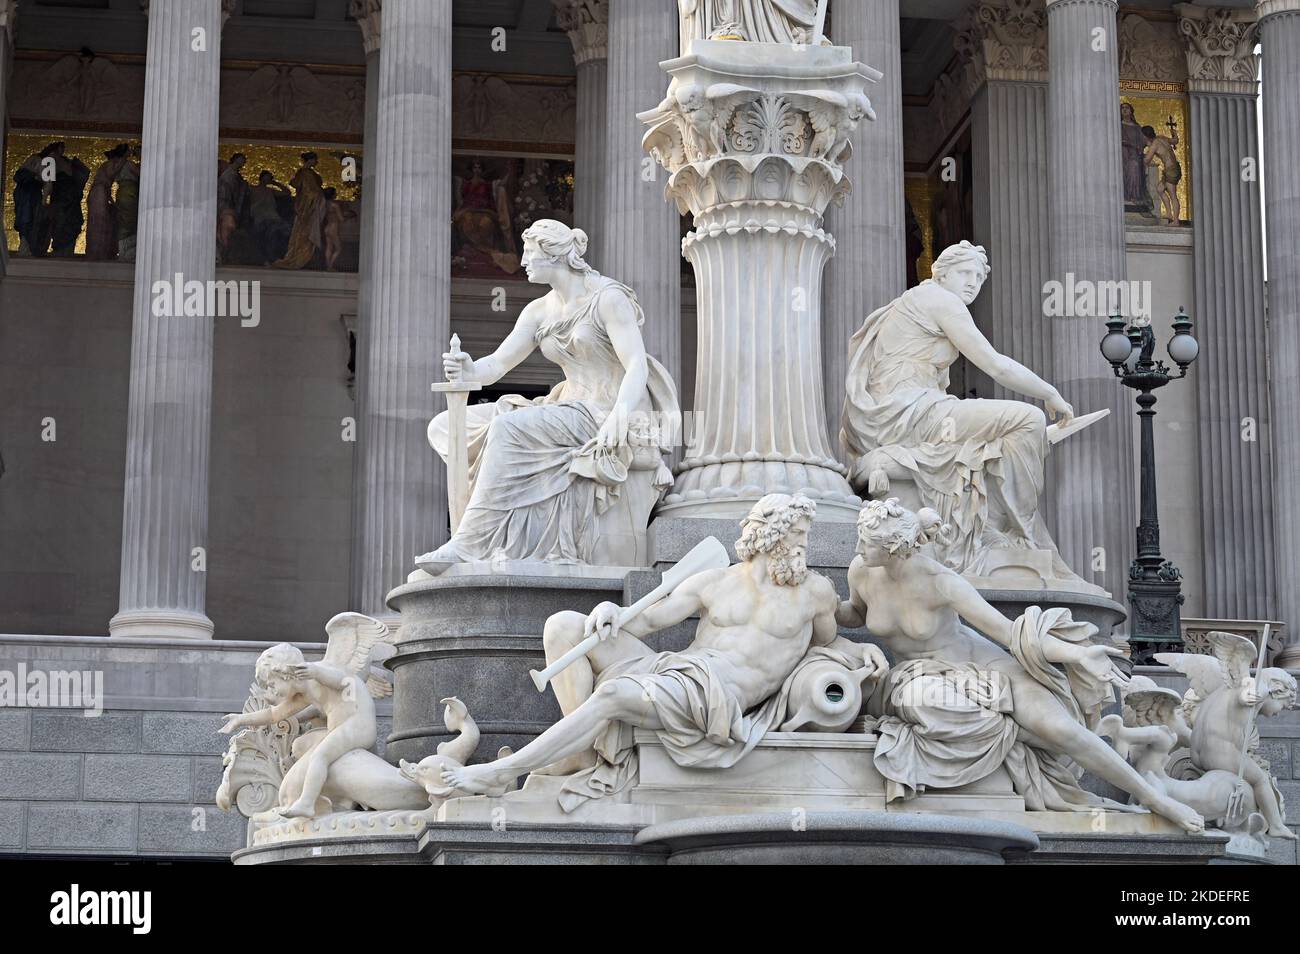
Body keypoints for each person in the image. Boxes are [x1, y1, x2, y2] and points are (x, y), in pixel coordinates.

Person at [438, 493, 887, 807]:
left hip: (714, 697)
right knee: (564, 625)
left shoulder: (815, 593)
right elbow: (651, 618)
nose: (805, 545)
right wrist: (610, 609)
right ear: (771, 536)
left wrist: (861, 655)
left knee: (613, 697)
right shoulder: (716, 581)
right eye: (799, 535)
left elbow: (826, 642)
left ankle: (502, 771)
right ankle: (579, 754)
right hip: (679, 670)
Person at [838, 498, 1204, 833]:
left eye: (866, 543)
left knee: (1062, 731)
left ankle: (1158, 800)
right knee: (951, 707)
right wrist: (818, 604)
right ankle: (1019, 738)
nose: (857, 549)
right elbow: (855, 613)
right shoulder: (862, 571)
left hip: (985, 665)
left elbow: (1010, 632)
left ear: (895, 548)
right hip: (917, 674)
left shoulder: (941, 583)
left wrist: (1077, 654)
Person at [420, 219, 679, 566]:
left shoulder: (608, 298)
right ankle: (507, 528)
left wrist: (619, 417)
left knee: (507, 428)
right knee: (444, 425)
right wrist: (469, 369)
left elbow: (637, 365)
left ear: (553, 254)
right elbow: (497, 365)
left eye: (529, 253)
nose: (523, 261)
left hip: (603, 412)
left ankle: (470, 541)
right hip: (566, 407)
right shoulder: (539, 310)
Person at [840, 240, 1083, 584]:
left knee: (991, 439)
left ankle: (992, 526)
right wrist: (1050, 392)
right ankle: (1015, 530)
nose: (973, 282)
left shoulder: (911, 301)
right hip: (910, 412)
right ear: (940, 273)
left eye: (979, 277)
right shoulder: (941, 300)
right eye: (965, 273)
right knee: (1028, 419)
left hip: (899, 413)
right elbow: (995, 366)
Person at [273, 151, 326, 269]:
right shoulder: (305, 174)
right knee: (304, 234)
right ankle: (298, 259)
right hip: (306, 208)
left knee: (304, 234)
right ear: (310, 160)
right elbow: (310, 192)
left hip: (307, 207)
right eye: (315, 159)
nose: (316, 162)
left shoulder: (308, 173)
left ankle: (301, 259)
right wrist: (317, 198)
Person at [85, 144, 131, 261]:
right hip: (99, 192)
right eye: (128, 152)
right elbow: (109, 176)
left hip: (101, 192)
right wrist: (123, 161)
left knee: (104, 221)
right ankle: (97, 252)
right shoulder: (112, 164)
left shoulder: (110, 164)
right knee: (100, 222)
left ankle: (102, 251)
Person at [1142, 125, 1182, 226]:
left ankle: (1176, 220)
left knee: (1173, 194)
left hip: (1171, 170)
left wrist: (1146, 149)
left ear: (1145, 136)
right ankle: (1169, 214)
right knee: (1160, 189)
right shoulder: (1161, 138)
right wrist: (1175, 133)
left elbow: (1147, 160)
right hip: (1173, 168)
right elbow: (1175, 141)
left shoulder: (1154, 144)